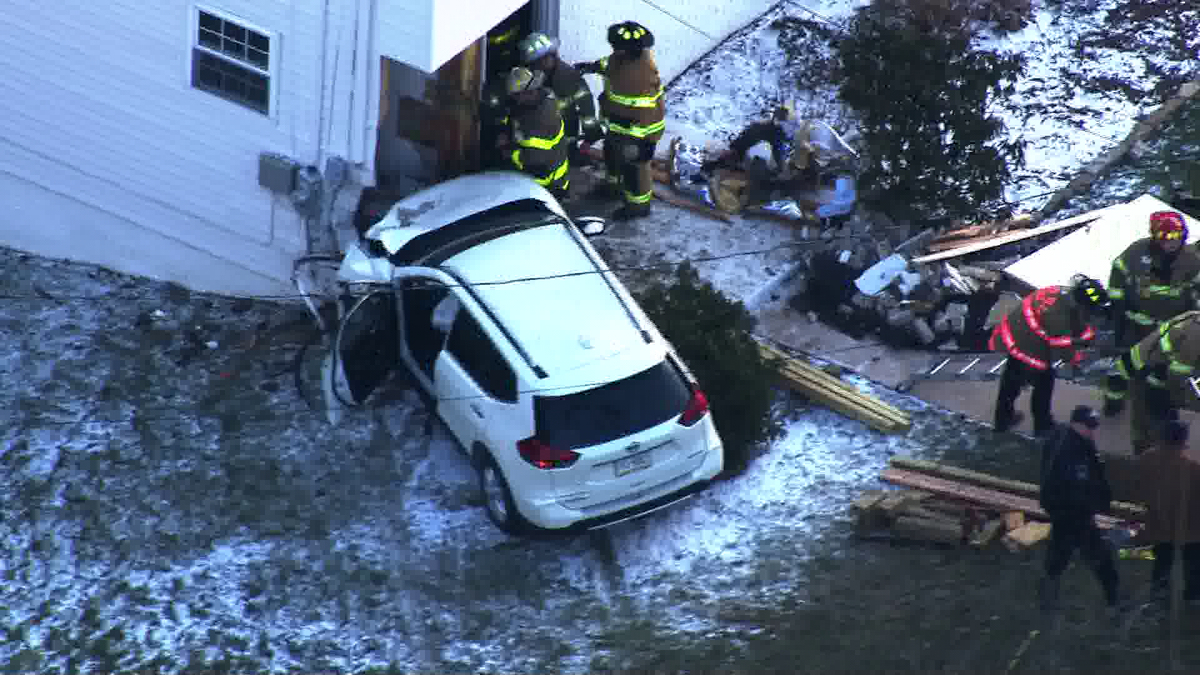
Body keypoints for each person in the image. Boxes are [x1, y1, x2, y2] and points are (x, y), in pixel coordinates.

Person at [1103, 210, 1200, 416]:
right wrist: (1118, 304)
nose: (1171, 242)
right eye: (1165, 237)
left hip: (1170, 327)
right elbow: (1118, 272)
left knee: (1160, 372)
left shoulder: (1190, 260)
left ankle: (1154, 403)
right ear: (1155, 236)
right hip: (1135, 324)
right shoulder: (1138, 252)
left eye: (1177, 236)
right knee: (1123, 368)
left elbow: (1196, 288)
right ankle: (1113, 403)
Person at [989, 275, 1112, 435]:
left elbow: (1075, 320)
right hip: (1027, 346)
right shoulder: (1057, 316)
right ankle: (1042, 426)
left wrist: (1086, 336)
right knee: (1043, 384)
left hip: (1017, 334)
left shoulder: (1062, 294)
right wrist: (1077, 359)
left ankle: (1003, 420)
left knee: (1011, 381)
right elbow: (1062, 346)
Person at [1037, 405, 1124, 618]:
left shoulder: (1064, 437)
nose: (1093, 431)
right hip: (1075, 513)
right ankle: (1113, 602)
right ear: (1077, 423)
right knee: (1101, 559)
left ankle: (1049, 591)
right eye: (1090, 426)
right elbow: (1081, 485)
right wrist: (1095, 506)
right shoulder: (1072, 451)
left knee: (1059, 550)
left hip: (1061, 510)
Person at [576, 21, 666, 220]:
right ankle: (613, 188)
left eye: (617, 47)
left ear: (629, 50)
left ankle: (638, 207)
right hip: (618, 127)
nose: (614, 50)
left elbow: (647, 113)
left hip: (637, 133)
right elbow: (608, 64)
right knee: (612, 155)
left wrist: (647, 142)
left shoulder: (641, 75)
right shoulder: (621, 58)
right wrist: (590, 67)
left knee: (634, 169)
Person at [1109, 421, 1200, 606]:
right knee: (1193, 560)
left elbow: (1136, 488)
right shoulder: (1192, 467)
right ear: (1183, 440)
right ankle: (1193, 595)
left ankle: (1159, 594)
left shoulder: (1147, 459)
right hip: (1189, 528)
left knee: (1162, 561)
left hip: (1158, 524)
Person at [1116, 310, 1200, 454]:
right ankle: (1150, 458)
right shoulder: (1196, 335)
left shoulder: (1194, 317)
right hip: (1145, 371)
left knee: (1153, 416)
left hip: (1152, 365)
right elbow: (1178, 374)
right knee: (1156, 418)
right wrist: (1188, 400)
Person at [517, 32, 601, 166]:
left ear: (551, 56)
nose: (536, 66)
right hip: (537, 133)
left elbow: (587, 108)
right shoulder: (532, 74)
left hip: (565, 133)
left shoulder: (569, 77)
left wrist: (591, 136)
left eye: (540, 60)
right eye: (533, 63)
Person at [501, 66, 570, 201]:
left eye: (517, 96)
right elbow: (516, 115)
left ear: (529, 92)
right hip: (550, 171)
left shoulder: (540, 120)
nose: (515, 100)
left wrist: (509, 151)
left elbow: (534, 161)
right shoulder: (542, 99)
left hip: (546, 184)